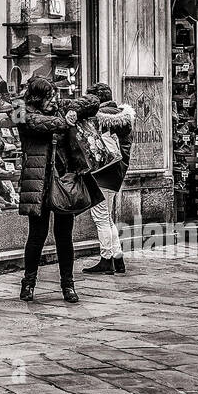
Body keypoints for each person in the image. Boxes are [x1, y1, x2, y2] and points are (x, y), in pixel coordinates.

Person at [16, 76, 79, 303]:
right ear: (37, 97)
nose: (54, 99)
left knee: (64, 236)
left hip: (63, 182)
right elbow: (33, 123)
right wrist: (65, 121)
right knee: (37, 236)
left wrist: (71, 112)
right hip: (38, 183)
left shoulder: (60, 109)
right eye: (49, 95)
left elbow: (89, 102)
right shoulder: (20, 109)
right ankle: (28, 283)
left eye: (55, 95)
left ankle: (68, 285)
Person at [83, 82, 135, 276]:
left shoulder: (99, 119)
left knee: (100, 218)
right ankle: (118, 258)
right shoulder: (123, 116)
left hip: (101, 173)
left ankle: (106, 260)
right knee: (107, 217)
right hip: (116, 174)